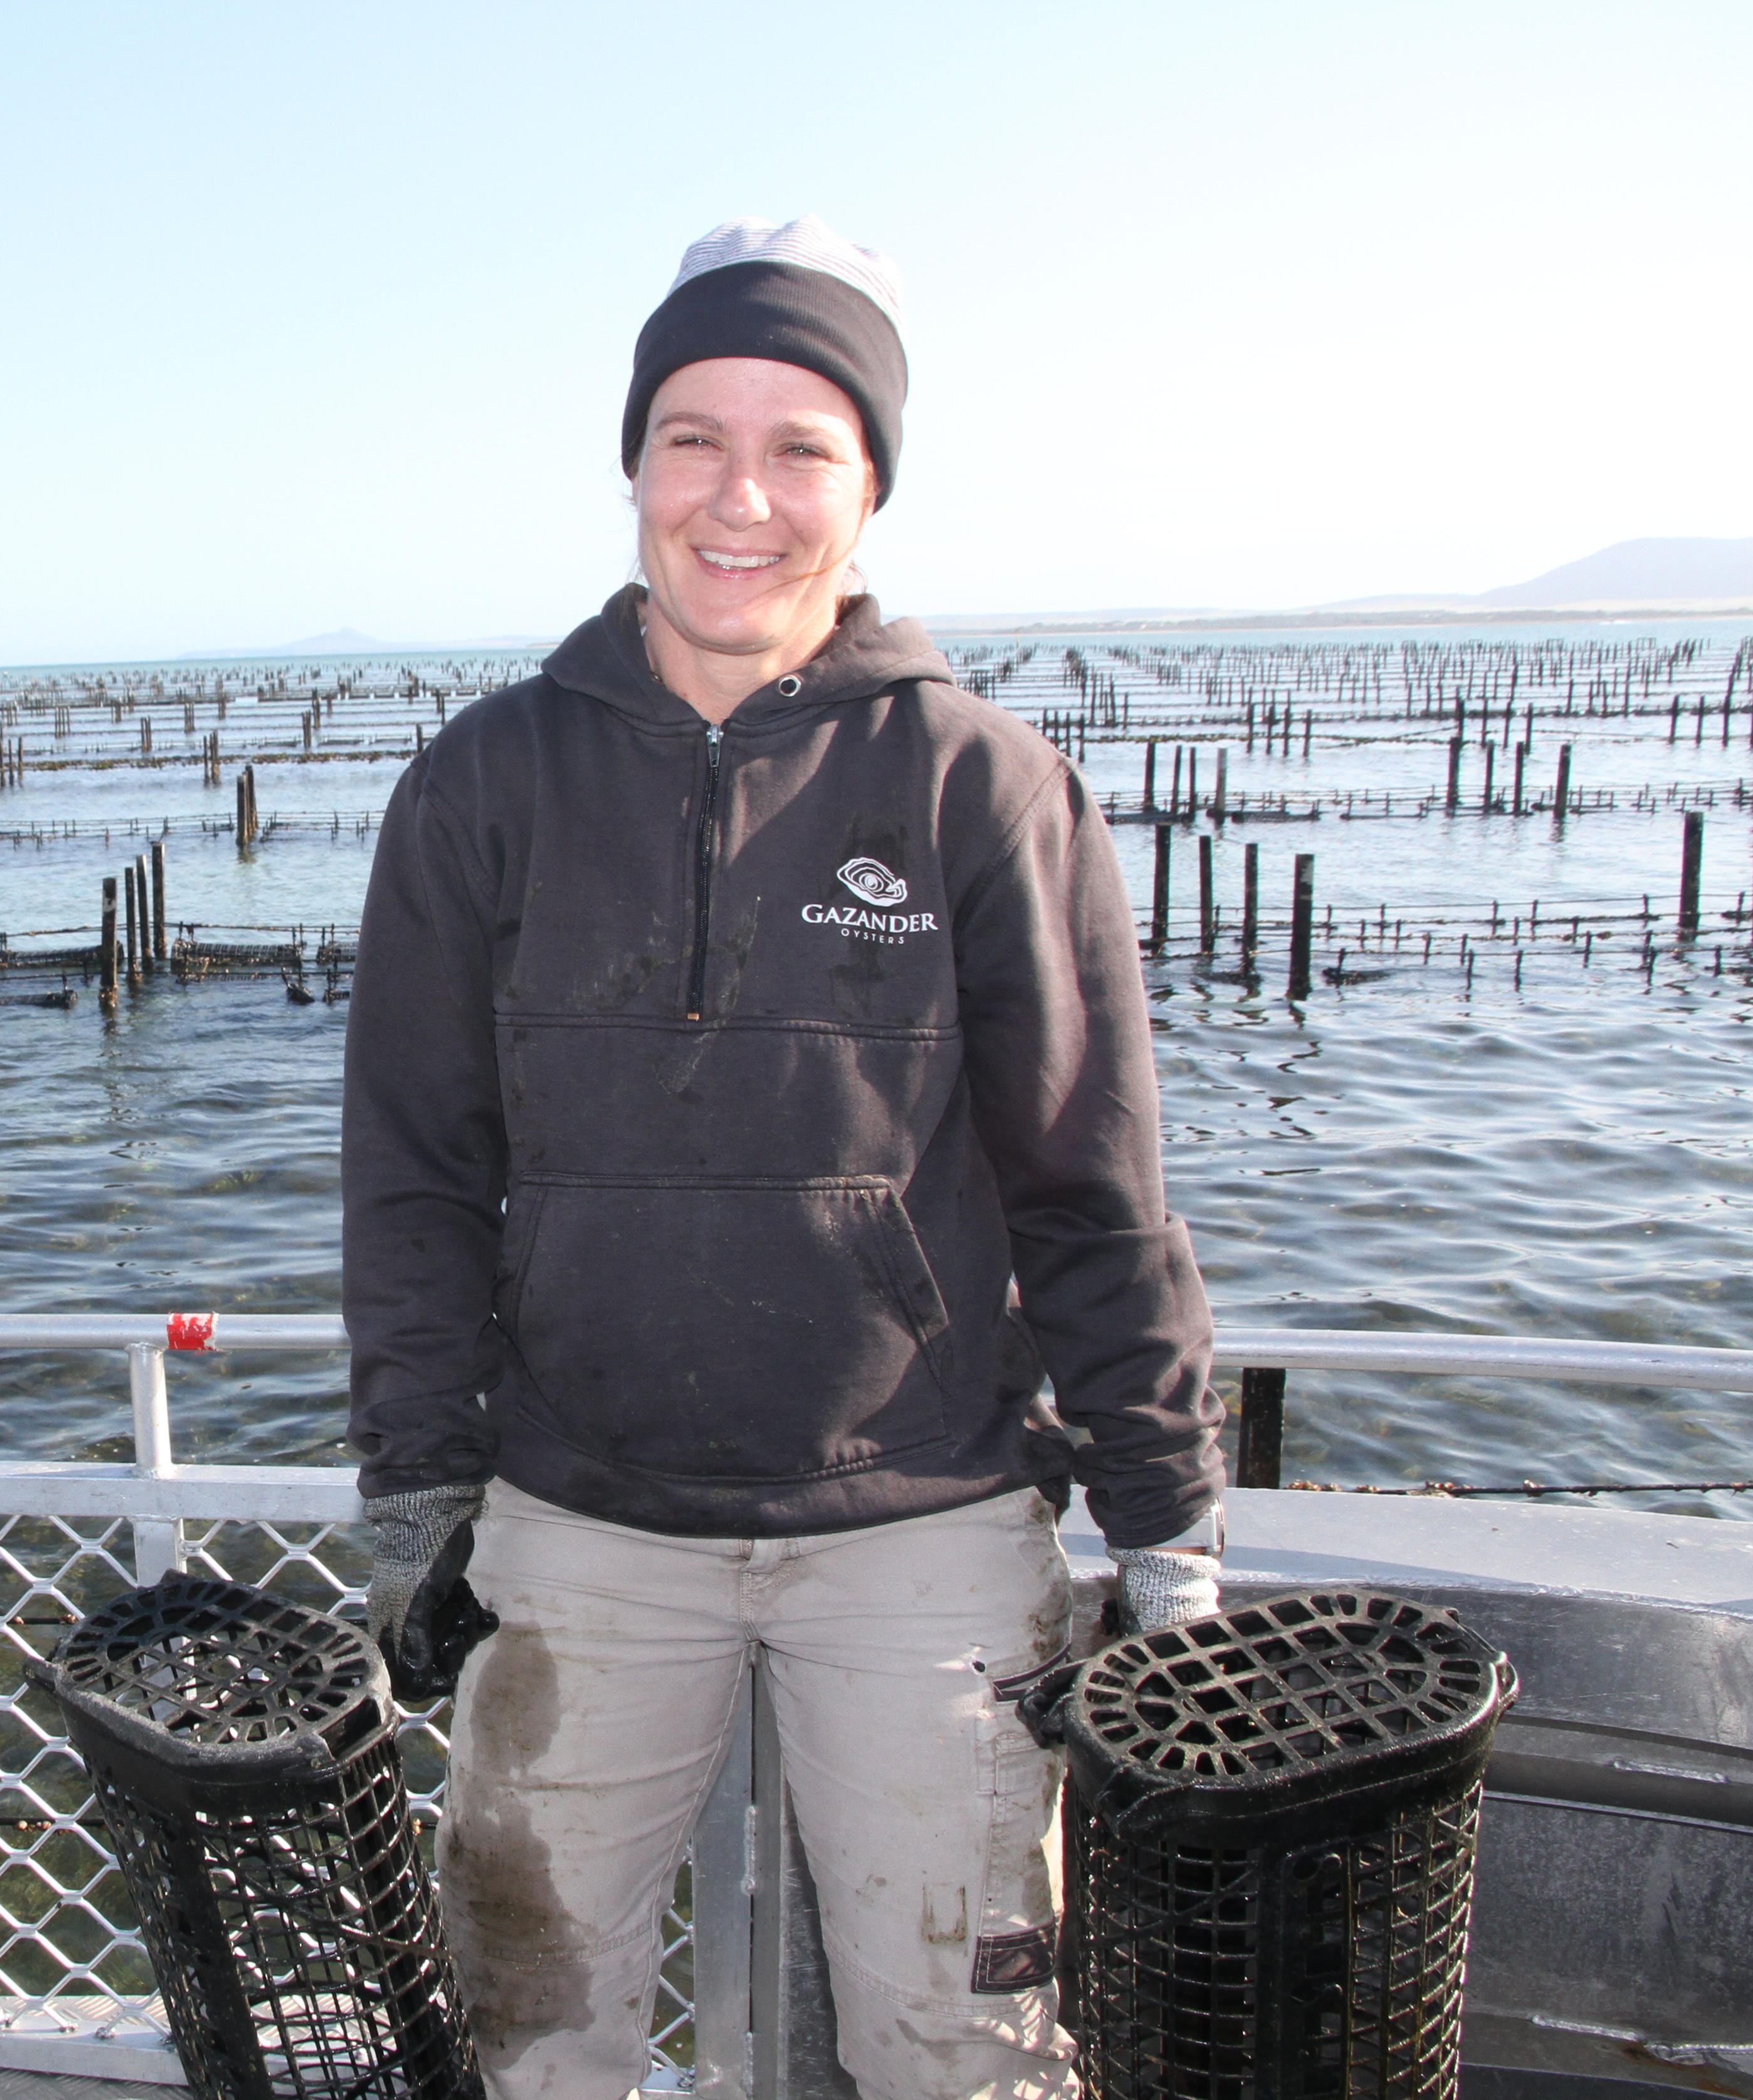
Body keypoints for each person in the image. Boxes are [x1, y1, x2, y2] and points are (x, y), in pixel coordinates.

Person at [340, 217, 1226, 2100]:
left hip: (925, 1527)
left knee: (956, 2046)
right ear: (633, 465)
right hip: (577, 1531)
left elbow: (1091, 1181)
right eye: (691, 437)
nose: (740, 497)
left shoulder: (984, 780)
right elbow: (416, 1174)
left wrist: (1166, 1521)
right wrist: (417, 1484)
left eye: (802, 445)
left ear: (871, 485)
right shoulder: (480, 786)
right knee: (530, 2031)